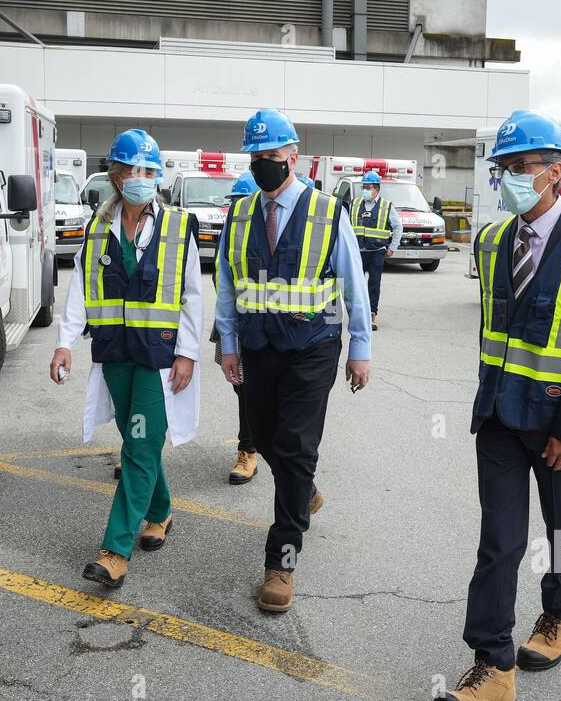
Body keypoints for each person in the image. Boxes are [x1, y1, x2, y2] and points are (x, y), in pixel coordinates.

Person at [433, 110, 561, 701]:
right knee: (499, 543)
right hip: (498, 419)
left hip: (557, 427)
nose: (512, 179)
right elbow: (498, 334)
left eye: (522, 168)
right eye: (504, 170)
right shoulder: (491, 243)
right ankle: (494, 668)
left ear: (555, 171)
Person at [215, 107, 373, 613]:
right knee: (262, 438)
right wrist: (228, 343)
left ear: (293, 156)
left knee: (298, 446)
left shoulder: (328, 211)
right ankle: (303, 492)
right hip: (259, 347)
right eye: (257, 157)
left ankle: (280, 562)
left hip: (312, 348)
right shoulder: (240, 213)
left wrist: (360, 349)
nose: (264, 164)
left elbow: (353, 283)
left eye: (273, 156)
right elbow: (226, 285)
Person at [49, 128, 203, 589]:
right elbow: (78, 289)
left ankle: (114, 551)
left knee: (138, 445)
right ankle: (160, 511)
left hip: (159, 356)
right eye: (132, 169)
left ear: (157, 176)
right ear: (115, 175)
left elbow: (193, 296)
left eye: (149, 171)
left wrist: (188, 354)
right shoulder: (97, 228)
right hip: (115, 352)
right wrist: (64, 342)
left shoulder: (178, 225)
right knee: (134, 437)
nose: (140, 177)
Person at [210, 171, 259, 485]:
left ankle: (249, 450)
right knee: (242, 388)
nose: (237, 208)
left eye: (243, 201)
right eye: (234, 202)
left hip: (263, 326)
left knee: (253, 392)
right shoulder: (231, 229)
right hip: (233, 323)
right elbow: (220, 276)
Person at [349, 169, 403, 330]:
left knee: (374, 284)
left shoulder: (386, 206)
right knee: (356, 285)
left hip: (377, 252)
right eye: (364, 187)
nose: (365, 190)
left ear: (377, 189)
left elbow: (398, 226)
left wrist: (393, 247)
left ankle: (372, 314)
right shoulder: (355, 203)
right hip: (359, 251)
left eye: (369, 187)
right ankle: (357, 314)